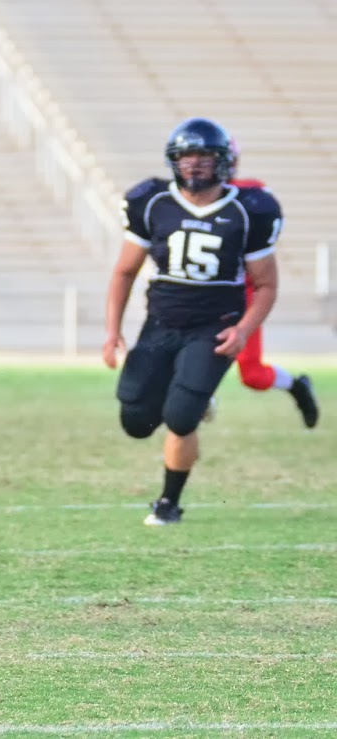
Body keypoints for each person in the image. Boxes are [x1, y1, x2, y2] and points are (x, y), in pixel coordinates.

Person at [103, 118, 282, 527]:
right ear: (174, 161)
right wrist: (112, 331)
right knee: (136, 422)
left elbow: (267, 284)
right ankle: (194, 396)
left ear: (224, 162)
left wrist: (243, 330)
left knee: (181, 417)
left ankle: (168, 504)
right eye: (187, 156)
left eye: (205, 156)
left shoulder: (249, 210)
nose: (195, 164)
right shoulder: (152, 202)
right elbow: (124, 272)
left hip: (214, 326)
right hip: (161, 323)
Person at [224, 141, 318, 428]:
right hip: (201, 294)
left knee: (252, 375)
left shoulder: (252, 196)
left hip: (245, 293)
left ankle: (297, 386)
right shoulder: (183, 199)